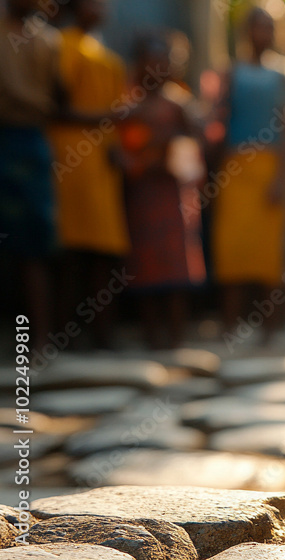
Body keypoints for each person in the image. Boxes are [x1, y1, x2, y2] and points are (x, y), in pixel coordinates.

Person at [211, 7, 285, 344]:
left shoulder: (284, 77)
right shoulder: (232, 73)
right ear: (246, 31)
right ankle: (230, 329)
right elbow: (221, 120)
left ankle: (269, 332)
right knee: (231, 249)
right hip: (235, 168)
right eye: (257, 26)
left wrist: (283, 178)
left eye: (268, 26)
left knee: (267, 254)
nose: (262, 32)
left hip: (269, 168)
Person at [49, 0, 130, 349]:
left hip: (100, 163)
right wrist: (104, 120)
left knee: (104, 250)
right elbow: (56, 108)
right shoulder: (61, 46)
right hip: (68, 158)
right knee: (71, 251)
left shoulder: (106, 56)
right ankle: (60, 336)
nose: (100, 7)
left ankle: (104, 336)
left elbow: (116, 113)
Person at [119, 34, 206, 349]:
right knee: (144, 264)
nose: (156, 67)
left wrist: (167, 160)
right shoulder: (129, 104)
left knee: (175, 264)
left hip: (173, 196)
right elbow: (121, 149)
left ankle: (176, 338)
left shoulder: (179, 104)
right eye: (150, 60)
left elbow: (195, 148)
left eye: (162, 60)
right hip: (141, 195)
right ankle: (151, 336)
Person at [0, 0, 64, 351]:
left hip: (23, 139)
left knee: (34, 249)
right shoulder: (49, 40)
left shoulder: (48, 41)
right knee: (33, 249)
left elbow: (57, 97)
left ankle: (37, 342)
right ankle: (39, 341)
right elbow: (57, 99)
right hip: (29, 138)